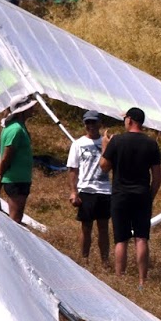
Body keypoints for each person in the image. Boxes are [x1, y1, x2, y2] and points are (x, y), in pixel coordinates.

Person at [101, 106, 161, 287]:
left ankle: (120, 279)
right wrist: (149, 196)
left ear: (130, 120)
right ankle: (142, 281)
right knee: (141, 238)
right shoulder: (152, 144)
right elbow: (157, 178)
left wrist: (105, 147)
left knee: (121, 239)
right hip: (142, 194)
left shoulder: (117, 141)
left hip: (120, 195)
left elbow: (104, 167)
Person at [66, 110, 112, 266]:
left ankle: (105, 261)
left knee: (104, 228)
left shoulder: (106, 143)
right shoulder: (78, 144)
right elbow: (73, 169)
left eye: (94, 122)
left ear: (100, 123)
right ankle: (84, 260)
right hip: (86, 190)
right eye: (88, 122)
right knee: (86, 227)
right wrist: (74, 191)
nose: (91, 126)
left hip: (104, 189)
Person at [0, 95, 37, 223]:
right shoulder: (16, 129)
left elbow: (2, 156)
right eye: (30, 107)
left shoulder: (14, 127)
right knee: (15, 219)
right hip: (16, 179)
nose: (33, 109)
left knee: (16, 216)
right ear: (22, 111)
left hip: (19, 178)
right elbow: (6, 156)